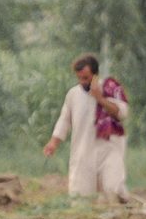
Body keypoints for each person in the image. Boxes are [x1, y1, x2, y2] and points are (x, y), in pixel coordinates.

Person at [43, 53, 128, 198]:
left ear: (95, 75)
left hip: (109, 149)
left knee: (113, 189)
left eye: (86, 78)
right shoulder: (73, 94)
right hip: (82, 150)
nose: (82, 82)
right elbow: (64, 120)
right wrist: (53, 143)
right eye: (79, 78)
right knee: (80, 195)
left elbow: (122, 113)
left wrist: (100, 98)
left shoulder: (110, 89)